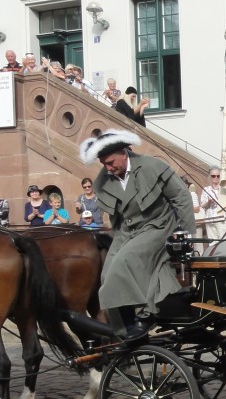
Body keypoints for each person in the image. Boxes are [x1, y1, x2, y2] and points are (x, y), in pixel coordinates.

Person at [79, 128, 195, 339]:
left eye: (111, 162)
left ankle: (146, 315)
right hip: (127, 232)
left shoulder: (152, 166)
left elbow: (182, 197)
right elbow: (117, 219)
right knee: (106, 273)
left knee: (125, 261)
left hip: (159, 226)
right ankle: (124, 327)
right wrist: (118, 240)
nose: (108, 168)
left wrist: (186, 235)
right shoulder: (102, 181)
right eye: (104, 164)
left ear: (124, 153)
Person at [199, 166, 226, 241]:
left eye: (218, 176)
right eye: (213, 176)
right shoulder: (206, 189)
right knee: (212, 244)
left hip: (221, 220)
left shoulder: (224, 189)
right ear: (210, 177)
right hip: (210, 220)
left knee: (223, 242)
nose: (216, 177)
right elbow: (202, 205)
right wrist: (208, 203)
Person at [182, 176, 205, 255]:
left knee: (197, 244)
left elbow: (197, 209)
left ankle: (200, 261)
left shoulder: (192, 194)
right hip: (184, 222)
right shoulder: (178, 196)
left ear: (187, 185)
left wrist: (186, 207)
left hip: (195, 222)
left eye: (184, 184)